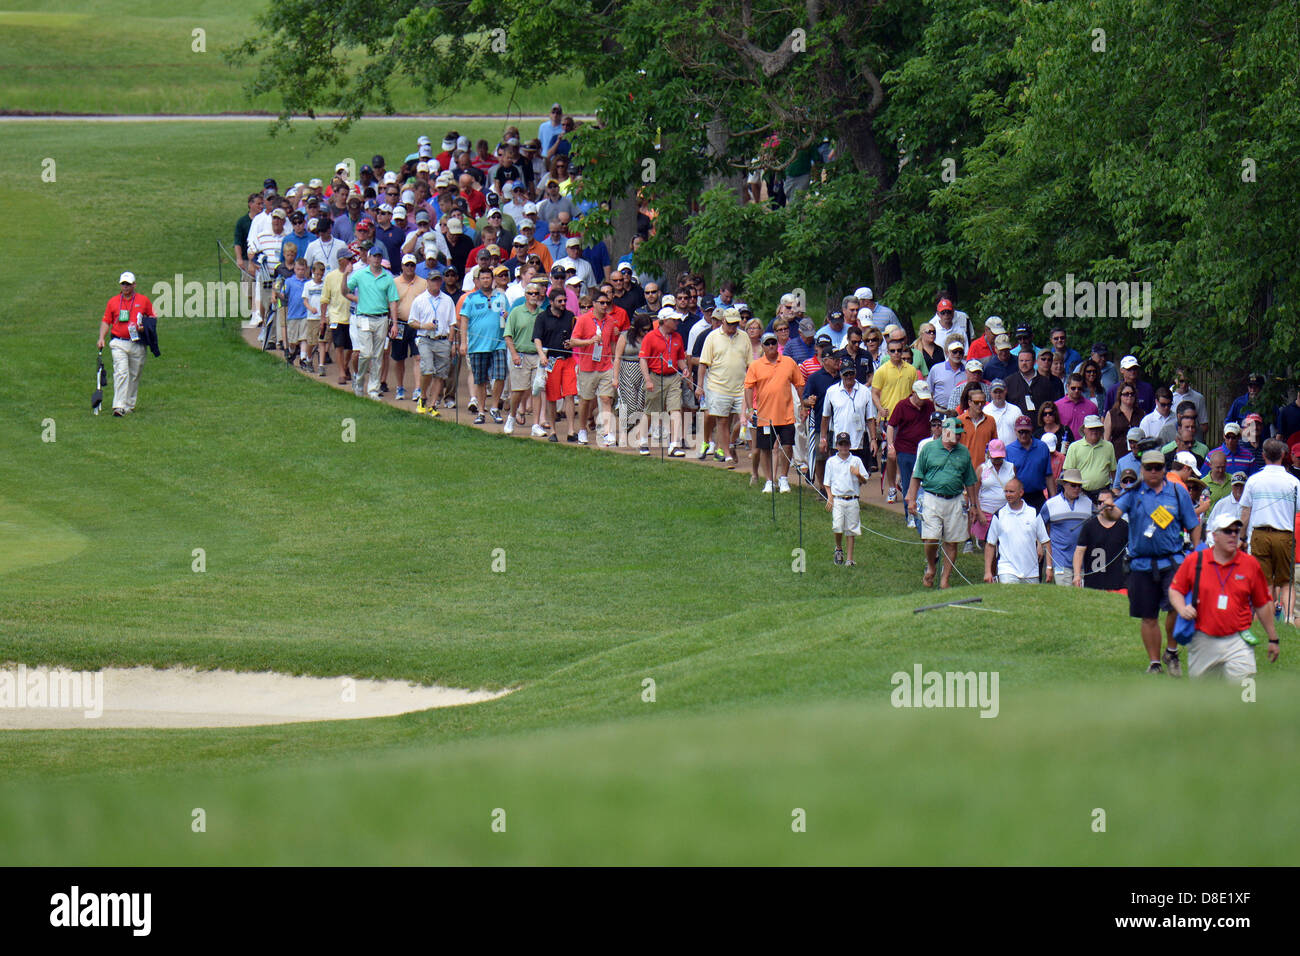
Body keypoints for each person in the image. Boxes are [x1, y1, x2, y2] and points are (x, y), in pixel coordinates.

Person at [1115, 449, 1201, 675]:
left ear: (1164, 469)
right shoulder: (1134, 492)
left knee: (1175, 608)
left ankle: (1171, 651)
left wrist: (1197, 551)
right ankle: (1154, 663)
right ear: (1142, 470)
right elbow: (1115, 513)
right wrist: (1106, 510)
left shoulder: (1176, 491)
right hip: (1140, 564)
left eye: (1157, 467)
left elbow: (1193, 523)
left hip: (1172, 562)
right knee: (1148, 616)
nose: (1153, 471)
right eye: (1149, 467)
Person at [1169, 512, 1280, 679]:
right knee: (1206, 700)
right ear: (1215, 536)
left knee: (1247, 695)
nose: (1234, 535)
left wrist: (1273, 638)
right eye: (1228, 531)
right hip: (1202, 639)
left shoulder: (1250, 564)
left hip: (1239, 639)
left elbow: (1262, 603)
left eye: (1237, 531)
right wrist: (1182, 608)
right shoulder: (1196, 560)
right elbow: (1175, 590)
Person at [906, 416, 979, 589]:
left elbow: (970, 481)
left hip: (955, 499)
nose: (960, 437)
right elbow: (917, 476)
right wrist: (912, 499)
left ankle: (945, 578)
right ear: (946, 432)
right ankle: (931, 566)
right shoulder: (929, 449)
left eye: (961, 434)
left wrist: (974, 505)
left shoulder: (963, 452)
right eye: (956, 433)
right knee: (930, 538)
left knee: (952, 542)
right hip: (932, 497)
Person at [1237, 438, 1300, 623]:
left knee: (1265, 583)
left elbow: (1246, 512)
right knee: (1286, 582)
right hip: (1284, 535)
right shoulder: (1294, 482)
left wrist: (1241, 537)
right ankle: (1288, 618)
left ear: (1263, 456)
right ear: (1283, 455)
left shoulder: (1254, 481)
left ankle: (1265, 619)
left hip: (1260, 534)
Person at [744, 331, 807, 492]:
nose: (771, 346)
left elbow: (799, 384)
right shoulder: (756, 365)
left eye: (773, 343)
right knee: (765, 448)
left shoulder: (788, 362)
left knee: (787, 446)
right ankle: (769, 480)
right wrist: (750, 409)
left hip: (786, 414)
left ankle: (783, 478)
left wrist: (803, 406)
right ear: (763, 347)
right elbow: (749, 388)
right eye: (768, 344)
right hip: (765, 416)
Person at [97, 271, 156, 416]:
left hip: (137, 343)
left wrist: (144, 327)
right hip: (118, 342)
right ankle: (118, 406)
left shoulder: (143, 300)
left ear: (134, 285)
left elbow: (153, 317)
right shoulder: (113, 301)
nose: (126, 287)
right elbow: (106, 321)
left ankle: (129, 404)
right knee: (121, 372)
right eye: (123, 284)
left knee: (134, 374)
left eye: (128, 284)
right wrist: (101, 338)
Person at [345, 246, 399, 400]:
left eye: (378, 256)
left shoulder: (387, 277)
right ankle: (360, 381)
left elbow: (393, 301)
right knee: (366, 353)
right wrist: (346, 277)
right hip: (364, 317)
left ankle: (373, 389)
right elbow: (345, 291)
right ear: (369, 258)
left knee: (377, 355)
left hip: (381, 318)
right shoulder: (360, 274)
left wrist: (394, 323)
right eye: (374, 256)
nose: (376, 259)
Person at [698, 307, 752, 463]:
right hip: (717, 386)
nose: (733, 327)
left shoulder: (744, 337)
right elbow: (703, 364)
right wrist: (700, 386)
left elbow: (750, 364)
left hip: (740, 387)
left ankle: (729, 445)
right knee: (722, 420)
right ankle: (725, 452)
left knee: (740, 419)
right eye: (730, 324)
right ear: (723, 321)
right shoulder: (712, 337)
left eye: (736, 324)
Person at [570, 288, 620, 445]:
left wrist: (613, 360)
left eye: (607, 303)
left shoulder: (610, 321)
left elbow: (612, 342)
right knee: (585, 400)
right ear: (594, 304)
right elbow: (573, 341)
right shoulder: (583, 320)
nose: (605, 306)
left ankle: (607, 432)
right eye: (602, 303)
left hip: (605, 365)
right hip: (588, 366)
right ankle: (582, 429)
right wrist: (589, 341)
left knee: (606, 398)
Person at [888, 381, 937, 525]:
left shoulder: (929, 405)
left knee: (923, 481)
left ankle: (921, 509)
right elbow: (891, 426)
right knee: (908, 480)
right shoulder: (902, 406)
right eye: (920, 397)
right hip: (905, 450)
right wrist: (891, 446)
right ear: (913, 393)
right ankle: (909, 514)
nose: (923, 400)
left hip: (924, 450)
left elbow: (933, 424)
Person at [534, 287, 579, 442]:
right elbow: (537, 338)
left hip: (568, 359)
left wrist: (572, 342)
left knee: (570, 394)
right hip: (551, 360)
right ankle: (553, 430)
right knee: (552, 397)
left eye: (565, 300)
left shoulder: (570, 316)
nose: (563, 303)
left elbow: (576, 335)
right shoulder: (542, 317)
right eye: (560, 301)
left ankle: (571, 430)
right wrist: (541, 355)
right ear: (551, 302)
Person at [984, 478, 1051, 584]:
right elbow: (990, 544)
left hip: (1031, 571)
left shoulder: (1034, 513)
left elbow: (1046, 541)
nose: (1008, 495)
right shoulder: (999, 515)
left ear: (1021, 493)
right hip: (1006, 570)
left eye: (1011, 491)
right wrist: (988, 571)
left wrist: (1049, 568)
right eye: (1006, 491)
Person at [408, 271, 457, 416]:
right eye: (433, 280)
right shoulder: (420, 300)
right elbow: (412, 321)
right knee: (427, 369)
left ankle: (432, 404)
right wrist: (424, 325)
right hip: (426, 339)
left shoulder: (447, 300)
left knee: (441, 375)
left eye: (438, 280)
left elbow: (452, 324)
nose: (436, 283)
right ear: (427, 282)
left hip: (443, 339)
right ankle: (423, 397)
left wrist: (451, 343)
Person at [503, 278, 544, 434]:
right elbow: (508, 335)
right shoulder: (516, 312)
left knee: (536, 389)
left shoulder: (542, 314)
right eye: (530, 293)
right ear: (526, 295)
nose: (534, 296)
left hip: (537, 355)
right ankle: (512, 417)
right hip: (520, 354)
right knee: (518, 390)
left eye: (536, 293)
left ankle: (536, 425)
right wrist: (513, 354)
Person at [821, 362, 876, 478]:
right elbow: (826, 417)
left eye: (851, 373)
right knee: (839, 474)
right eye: (846, 374)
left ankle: (854, 496)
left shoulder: (865, 392)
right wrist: (823, 438)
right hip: (838, 441)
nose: (849, 377)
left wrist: (873, 439)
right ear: (841, 375)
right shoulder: (831, 392)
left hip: (859, 441)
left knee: (859, 476)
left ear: (855, 373)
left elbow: (870, 418)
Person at [825, 433, 869, 566]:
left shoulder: (856, 461)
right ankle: (838, 548)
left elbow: (864, 480)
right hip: (838, 499)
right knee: (837, 526)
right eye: (841, 444)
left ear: (850, 445)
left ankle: (849, 559)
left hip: (852, 498)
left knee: (851, 529)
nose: (844, 447)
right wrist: (830, 497)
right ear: (837, 446)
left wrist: (858, 474)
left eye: (846, 444)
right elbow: (827, 483)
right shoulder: (831, 462)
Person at [1042, 469, 1092, 585]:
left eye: (1079, 486)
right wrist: (1041, 544)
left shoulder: (1088, 503)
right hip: (1060, 559)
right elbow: (1039, 526)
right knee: (1065, 596)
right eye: (1073, 485)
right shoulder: (1051, 504)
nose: (1077, 489)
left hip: (1082, 561)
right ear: (1064, 485)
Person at [1073, 488, 1129, 590]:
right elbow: (1079, 551)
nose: (1102, 505)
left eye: (1106, 502)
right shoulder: (1089, 526)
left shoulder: (1124, 526)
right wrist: (1077, 574)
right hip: (1093, 583)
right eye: (1099, 502)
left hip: (1118, 583)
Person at [615, 313, 653, 452]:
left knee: (641, 405)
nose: (647, 332)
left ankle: (636, 434)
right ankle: (624, 432)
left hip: (644, 370)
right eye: (644, 330)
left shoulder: (650, 338)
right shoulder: (625, 336)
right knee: (629, 403)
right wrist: (615, 377)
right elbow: (617, 357)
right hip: (627, 368)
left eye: (649, 329)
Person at [319, 247, 355, 385]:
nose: (351, 261)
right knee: (339, 346)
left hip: (351, 316)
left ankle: (345, 366)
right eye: (349, 259)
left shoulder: (355, 275)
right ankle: (341, 372)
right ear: (341, 261)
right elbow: (324, 299)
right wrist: (323, 318)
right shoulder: (330, 276)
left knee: (351, 347)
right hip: (336, 316)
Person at [1005, 415, 1056, 510]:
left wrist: (1053, 498)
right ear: (1015, 431)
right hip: (1018, 497)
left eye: (1026, 431)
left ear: (1031, 430)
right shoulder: (1009, 450)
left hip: (1038, 495)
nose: (1023, 435)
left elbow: (1048, 475)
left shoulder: (1042, 447)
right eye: (1020, 432)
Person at [1062, 414, 1116, 502]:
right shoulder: (1074, 447)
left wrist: (1115, 490)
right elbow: (1068, 473)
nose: (1094, 431)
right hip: (1080, 493)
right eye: (1091, 428)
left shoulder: (1109, 446)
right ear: (1084, 430)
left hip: (1103, 493)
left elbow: (1113, 471)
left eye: (1097, 428)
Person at [973, 438, 1015, 548]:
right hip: (986, 511)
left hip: (1006, 512)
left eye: (1000, 457)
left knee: (1004, 545)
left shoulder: (1011, 467)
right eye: (995, 457)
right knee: (989, 545)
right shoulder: (982, 469)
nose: (997, 460)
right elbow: (975, 493)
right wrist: (979, 512)